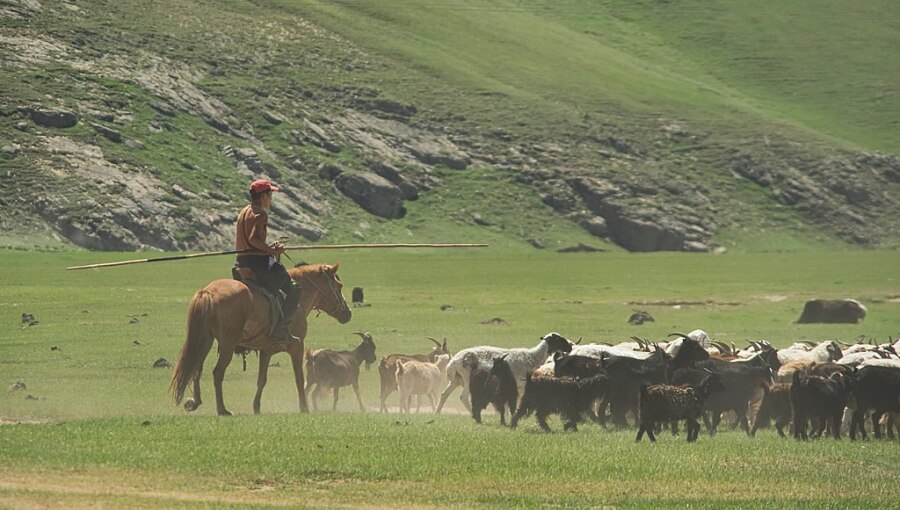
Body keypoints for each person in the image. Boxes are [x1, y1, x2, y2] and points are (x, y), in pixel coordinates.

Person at [234, 179, 301, 344]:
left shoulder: (244, 211)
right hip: (258, 264)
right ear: (263, 196)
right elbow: (254, 239)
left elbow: (251, 243)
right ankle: (281, 327)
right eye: (270, 195)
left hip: (241, 262)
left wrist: (268, 247)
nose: (271, 199)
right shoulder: (261, 214)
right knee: (294, 289)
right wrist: (272, 251)